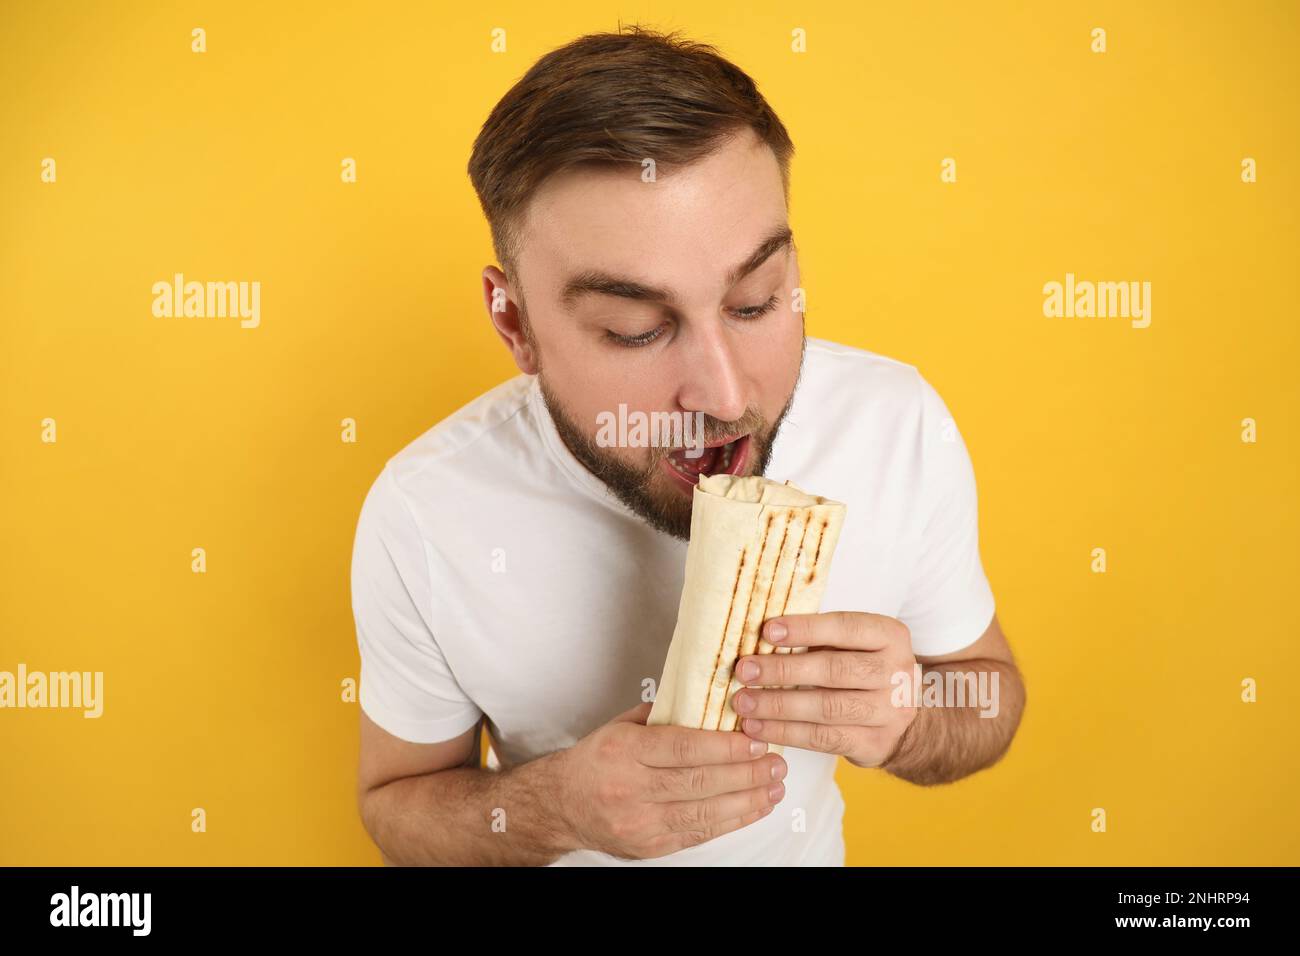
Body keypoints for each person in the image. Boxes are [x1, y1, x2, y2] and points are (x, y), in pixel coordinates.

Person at [351, 26, 1024, 866]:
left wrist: (914, 714)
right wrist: (556, 806)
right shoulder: (424, 512)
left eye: (755, 301)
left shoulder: (895, 423)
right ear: (515, 323)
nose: (729, 396)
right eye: (636, 331)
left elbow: (988, 691)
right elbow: (395, 804)